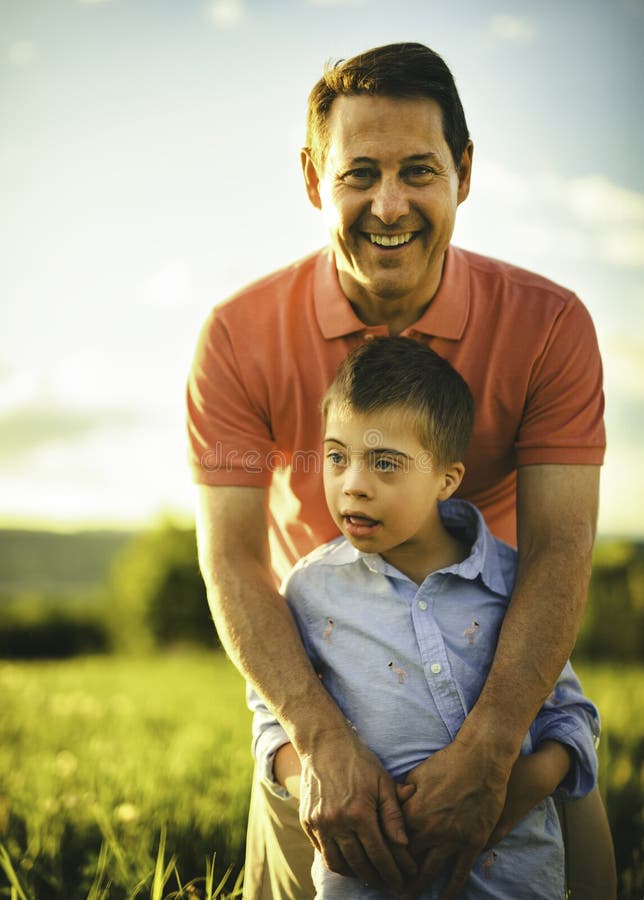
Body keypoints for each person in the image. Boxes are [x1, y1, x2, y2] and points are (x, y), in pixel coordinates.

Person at [187, 42, 616, 899]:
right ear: (315, 180)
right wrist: (321, 741)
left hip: (494, 673)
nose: (390, 205)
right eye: (358, 175)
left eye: (419, 170)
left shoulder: (551, 327)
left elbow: (561, 551)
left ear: (462, 171)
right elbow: (233, 560)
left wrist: (494, 751)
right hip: (316, 692)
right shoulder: (237, 336)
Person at [248, 336, 601, 899]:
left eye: (384, 463)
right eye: (336, 456)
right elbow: (273, 718)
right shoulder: (311, 591)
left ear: (446, 479)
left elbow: (570, 717)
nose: (353, 484)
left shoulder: (513, 587)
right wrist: (324, 791)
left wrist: (508, 792)